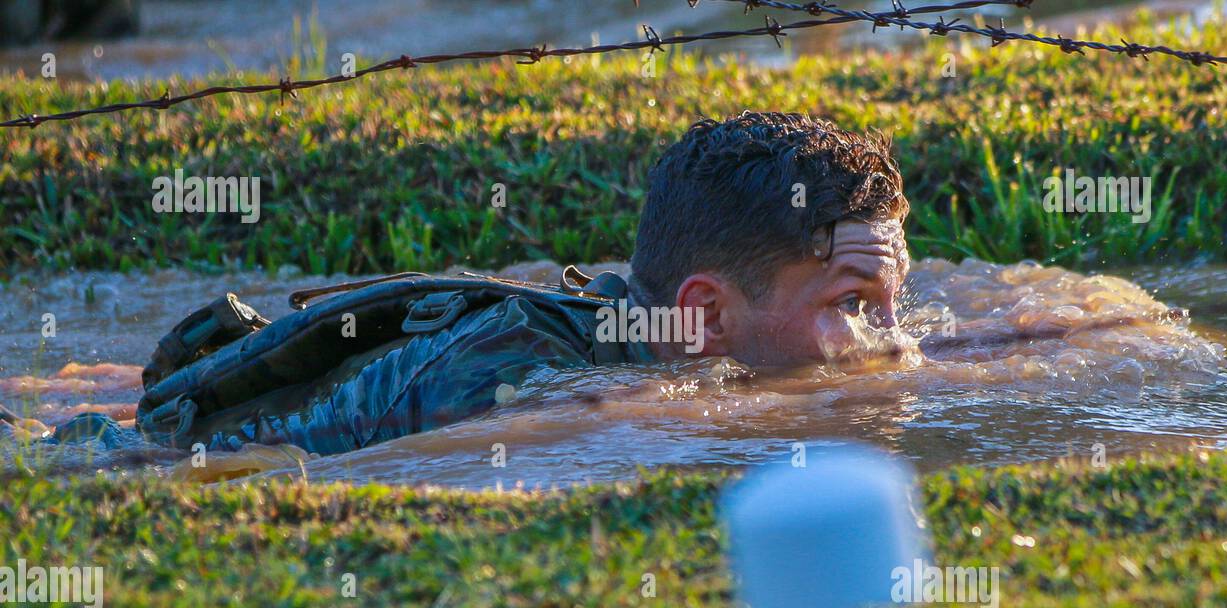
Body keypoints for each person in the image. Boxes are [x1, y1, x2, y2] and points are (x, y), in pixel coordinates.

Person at [83, 111, 913, 455]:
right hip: (130, 456)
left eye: (889, 305)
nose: (895, 342)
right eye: (851, 305)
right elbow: (607, 415)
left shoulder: (628, 331)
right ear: (706, 315)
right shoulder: (517, 383)